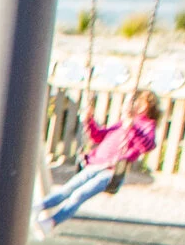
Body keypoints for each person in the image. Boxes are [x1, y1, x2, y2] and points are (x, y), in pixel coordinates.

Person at [34, 89, 162, 236]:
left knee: (78, 195)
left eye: (140, 102)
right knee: (66, 190)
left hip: (112, 171)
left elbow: (147, 145)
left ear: (148, 106)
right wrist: (89, 121)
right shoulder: (122, 123)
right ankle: (37, 208)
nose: (135, 104)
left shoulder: (147, 125)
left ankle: (50, 223)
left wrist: (131, 127)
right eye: (134, 101)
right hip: (95, 164)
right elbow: (98, 137)